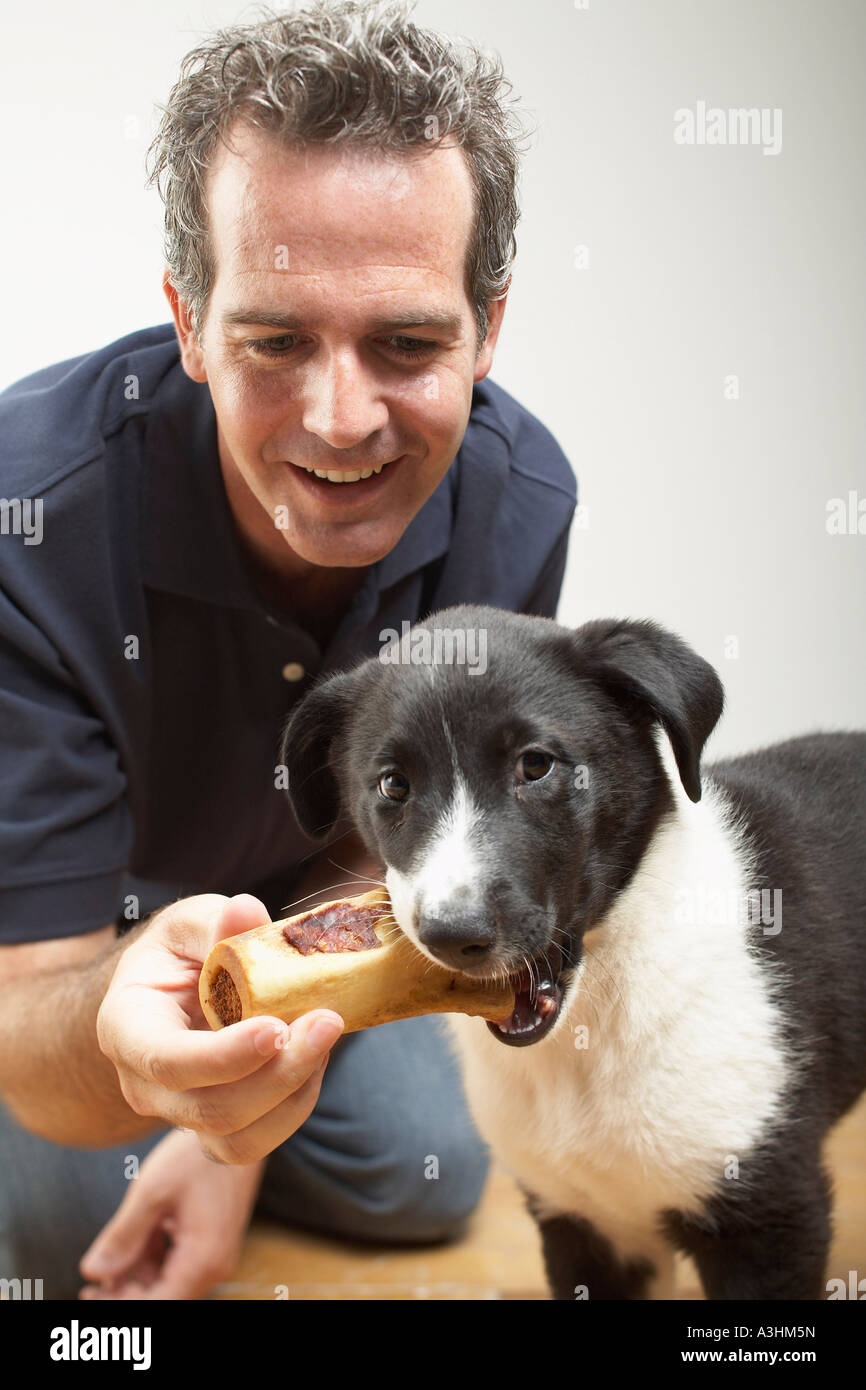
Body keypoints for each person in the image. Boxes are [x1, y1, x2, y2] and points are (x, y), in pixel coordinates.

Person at [0, 0, 577, 1299]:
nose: (340, 418)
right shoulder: (21, 516)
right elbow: (36, 985)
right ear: (188, 323)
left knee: (424, 1164)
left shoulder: (523, 498)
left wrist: (232, 1101)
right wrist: (151, 1060)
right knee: (57, 1210)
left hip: (291, 913)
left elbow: (401, 838)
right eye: (272, 340)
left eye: (409, 342)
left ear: (489, 326)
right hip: (62, 943)